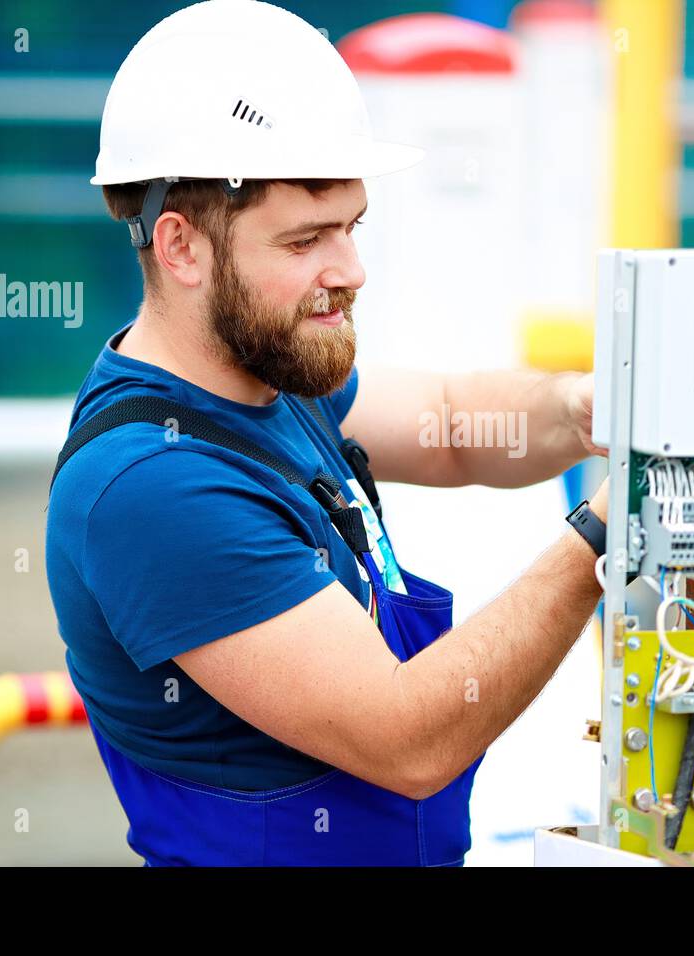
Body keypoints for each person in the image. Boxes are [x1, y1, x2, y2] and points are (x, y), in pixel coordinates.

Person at [46, 0, 610, 866]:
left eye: (351, 227)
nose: (349, 271)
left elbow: (459, 426)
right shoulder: (152, 487)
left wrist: (588, 409)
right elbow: (408, 738)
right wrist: (606, 534)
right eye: (306, 239)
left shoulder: (266, 371)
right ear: (182, 247)